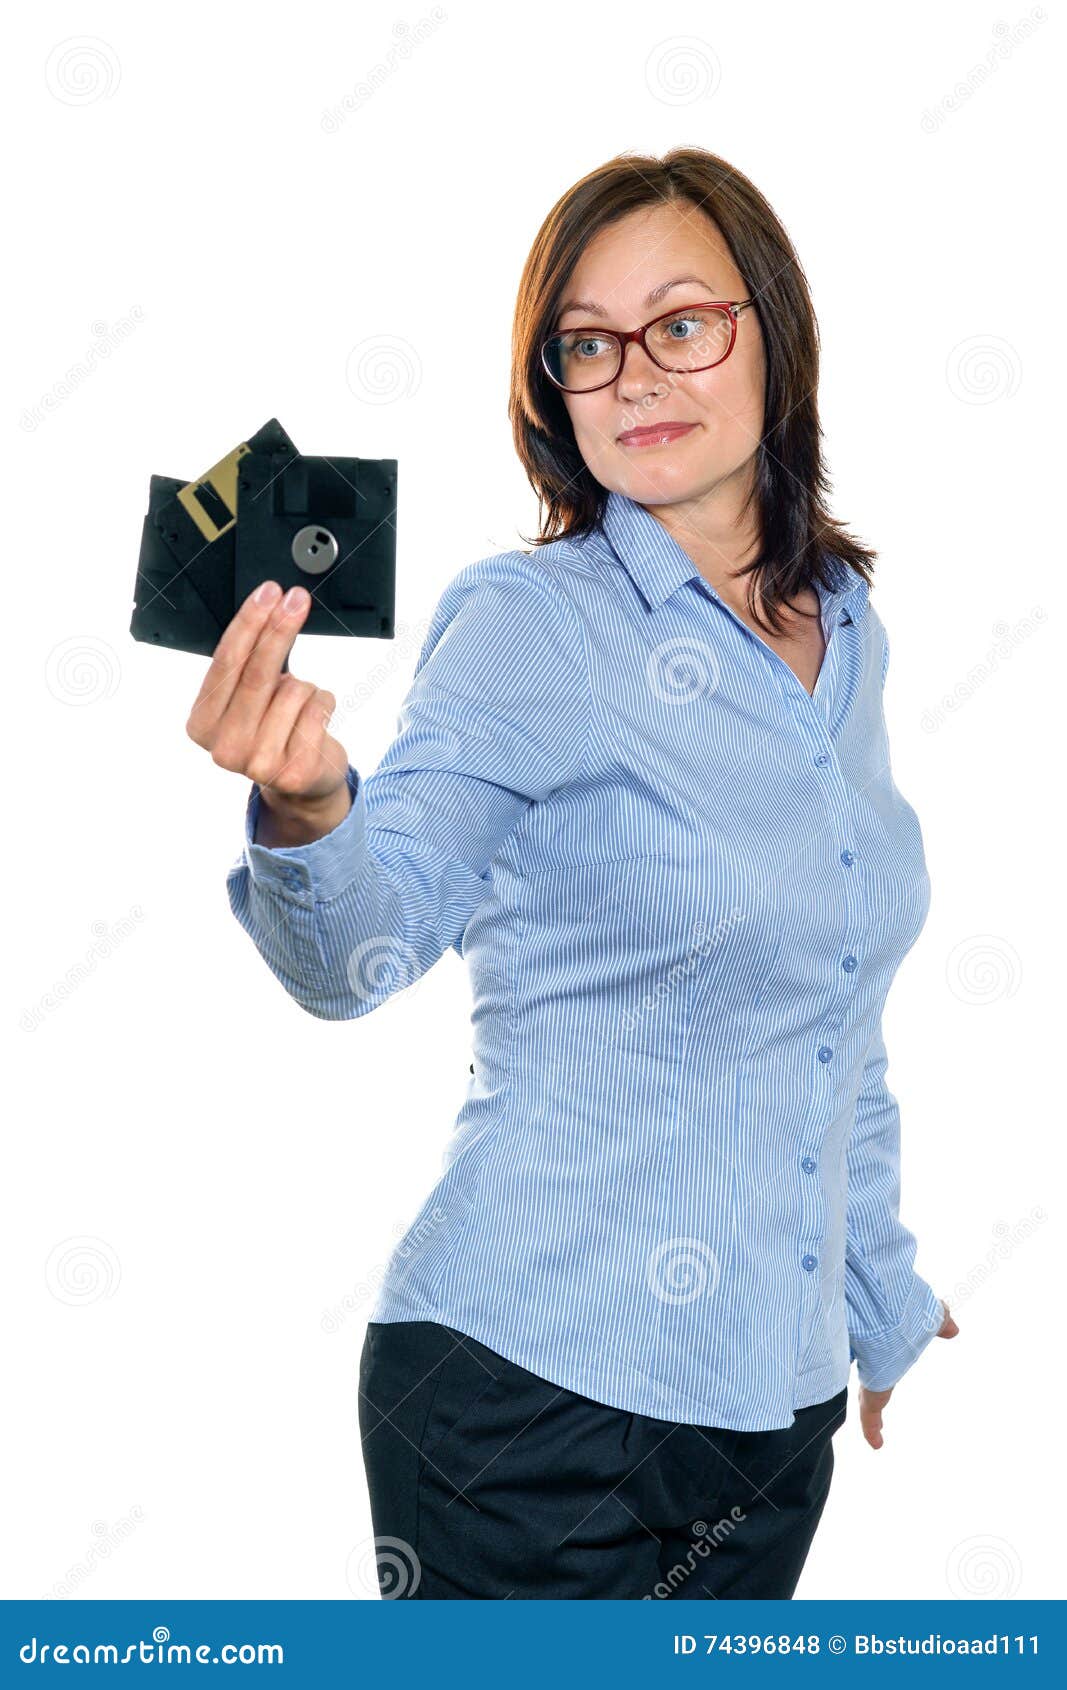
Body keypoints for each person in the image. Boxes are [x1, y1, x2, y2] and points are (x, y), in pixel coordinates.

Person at [187, 147, 958, 1600]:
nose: (636, 375)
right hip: (524, 1398)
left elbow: (836, 1012)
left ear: (776, 335)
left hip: (771, 1420)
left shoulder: (846, 626)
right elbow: (361, 953)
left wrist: (877, 1289)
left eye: (683, 324)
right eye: (588, 344)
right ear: (554, 388)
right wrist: (308, 808)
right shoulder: (532, 621)